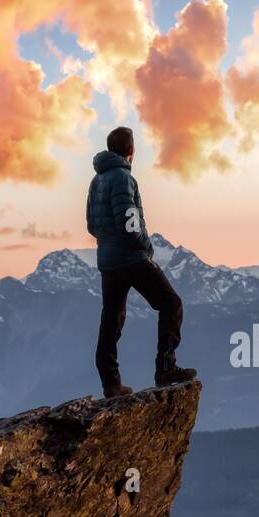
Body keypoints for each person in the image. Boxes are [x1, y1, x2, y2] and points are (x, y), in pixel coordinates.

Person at [86, 126, 197, 398]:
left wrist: (108, 242)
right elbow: (130, 220)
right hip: (132, 258)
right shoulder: (123, 178)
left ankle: (111, 384)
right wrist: (144, 246)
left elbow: (91, 225)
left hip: (108, 262)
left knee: (111, 319)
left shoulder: (96, 180)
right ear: (131, 151)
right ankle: (165, 368)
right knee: (171, 303)